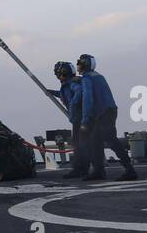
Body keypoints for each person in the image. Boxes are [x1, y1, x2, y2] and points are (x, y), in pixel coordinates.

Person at [77, 53, 138, 181]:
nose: (78, 65)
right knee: (95, 141)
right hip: (109, 111)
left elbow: (88, 100)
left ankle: (130, 170)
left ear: (84, 65)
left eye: (79, 63)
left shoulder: (87, 79)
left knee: (112, 141)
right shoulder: (98, 76)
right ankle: (99, 171)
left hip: (103, 114)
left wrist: (85, 120)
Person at [45, 61, 86, 178]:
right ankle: (82, 168)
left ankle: (80, 169)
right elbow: (65, 95)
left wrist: (73, 105)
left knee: (78, 144)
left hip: (79, 118)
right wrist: (52, 93)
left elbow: (78, 92)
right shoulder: (67, 85)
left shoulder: (71, 84)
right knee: (78, 143)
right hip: (79, 117)